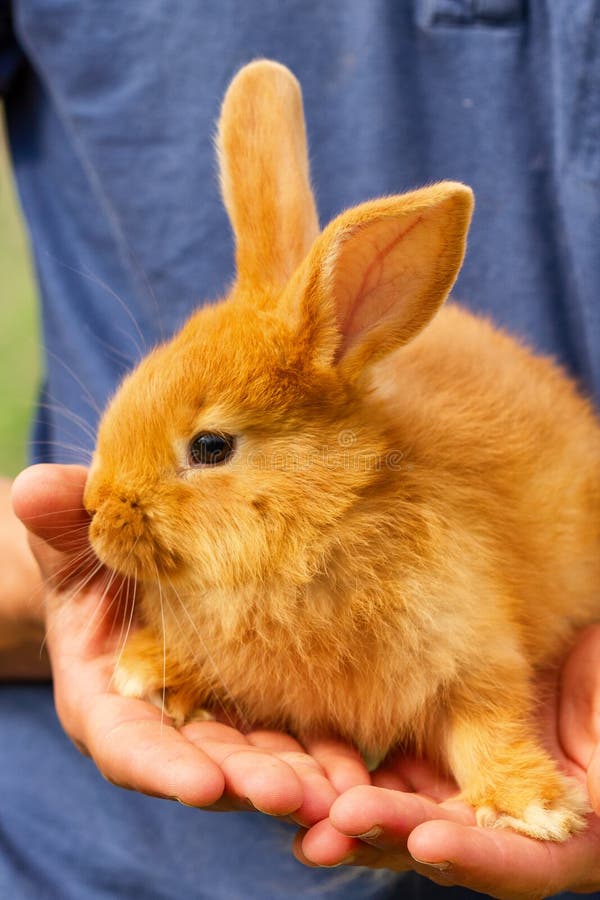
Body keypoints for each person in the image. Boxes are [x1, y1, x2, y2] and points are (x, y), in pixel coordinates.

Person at [1, 1, 599, 897]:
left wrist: (501, 765)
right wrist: (68, 604)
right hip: (95, 859)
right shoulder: (177, 553)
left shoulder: (402, 554)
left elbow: (468, 676)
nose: (103, 508)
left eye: (209, 448)